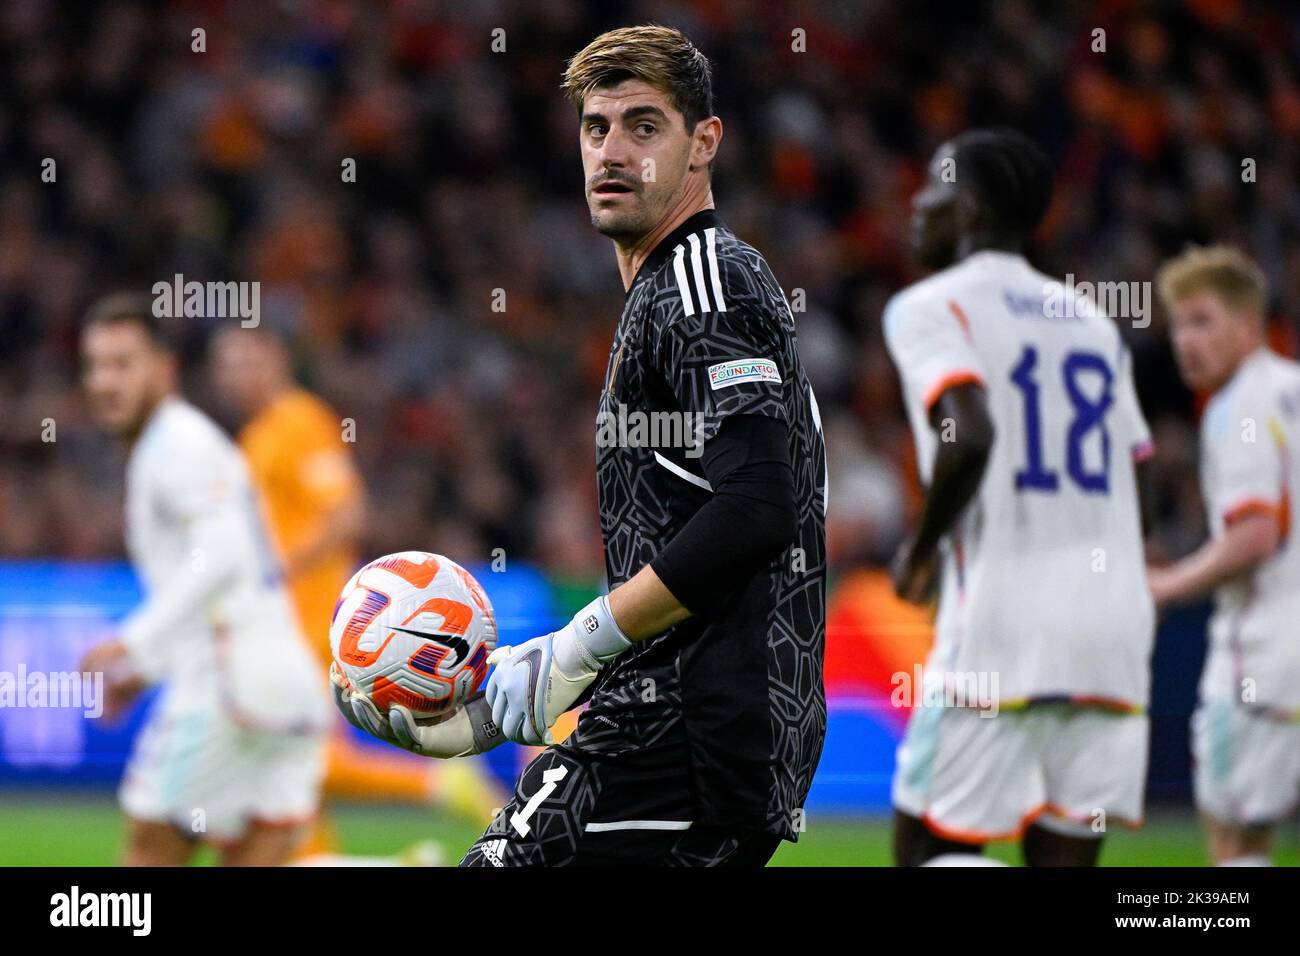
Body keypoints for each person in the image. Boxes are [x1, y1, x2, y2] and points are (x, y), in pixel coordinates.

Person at [333, 24, 828, 867]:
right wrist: (517, 697)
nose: (612, 152)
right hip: (698, 724)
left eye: (644, 126)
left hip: (684, 731)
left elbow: (757, 508)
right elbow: (700, 539)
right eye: (596, 128)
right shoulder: (668, 291)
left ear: (705, 142)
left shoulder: (705, 282)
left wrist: (574, 650)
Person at [884, 130, 1155, 866]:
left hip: (1000, 624)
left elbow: (968, 432)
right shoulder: (1092, 323)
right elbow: (1142, 483)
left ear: (968, 209)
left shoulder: (930, 307)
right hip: (1115, 635)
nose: (916, 202)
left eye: (933, 186)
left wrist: (923, 544)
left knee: (924, 849)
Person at [208, 326, 502, 857]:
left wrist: (272, 570)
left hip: (310, 624)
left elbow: (345, 513)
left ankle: (435, 782)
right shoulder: (256, 436)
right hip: (275, 629)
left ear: (277, 359)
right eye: (226, 364)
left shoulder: (300, 421)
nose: (235, 374)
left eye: (247, 360)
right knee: (283, 780)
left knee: (298, 759)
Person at [78, 294, 329, 866]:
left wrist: (131, 642)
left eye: (122, 363)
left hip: (228, 695)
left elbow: (222, 554)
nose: (104, 381)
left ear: (164, 368)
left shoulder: (175, 445)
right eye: (94, 366)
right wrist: (143, 670)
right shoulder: (188, 444)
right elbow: (219, 591)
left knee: (147, 855)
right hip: (285, 689)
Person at [1149, 245, 1300, 866]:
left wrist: (1166, 586)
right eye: (1178, 324)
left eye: (1203, 321)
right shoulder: (1292, 387)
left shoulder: (1238, 407)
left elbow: (1254, 535)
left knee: (1234, 839)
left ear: (1247, 323)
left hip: (1261, 656)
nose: (1186, 340)